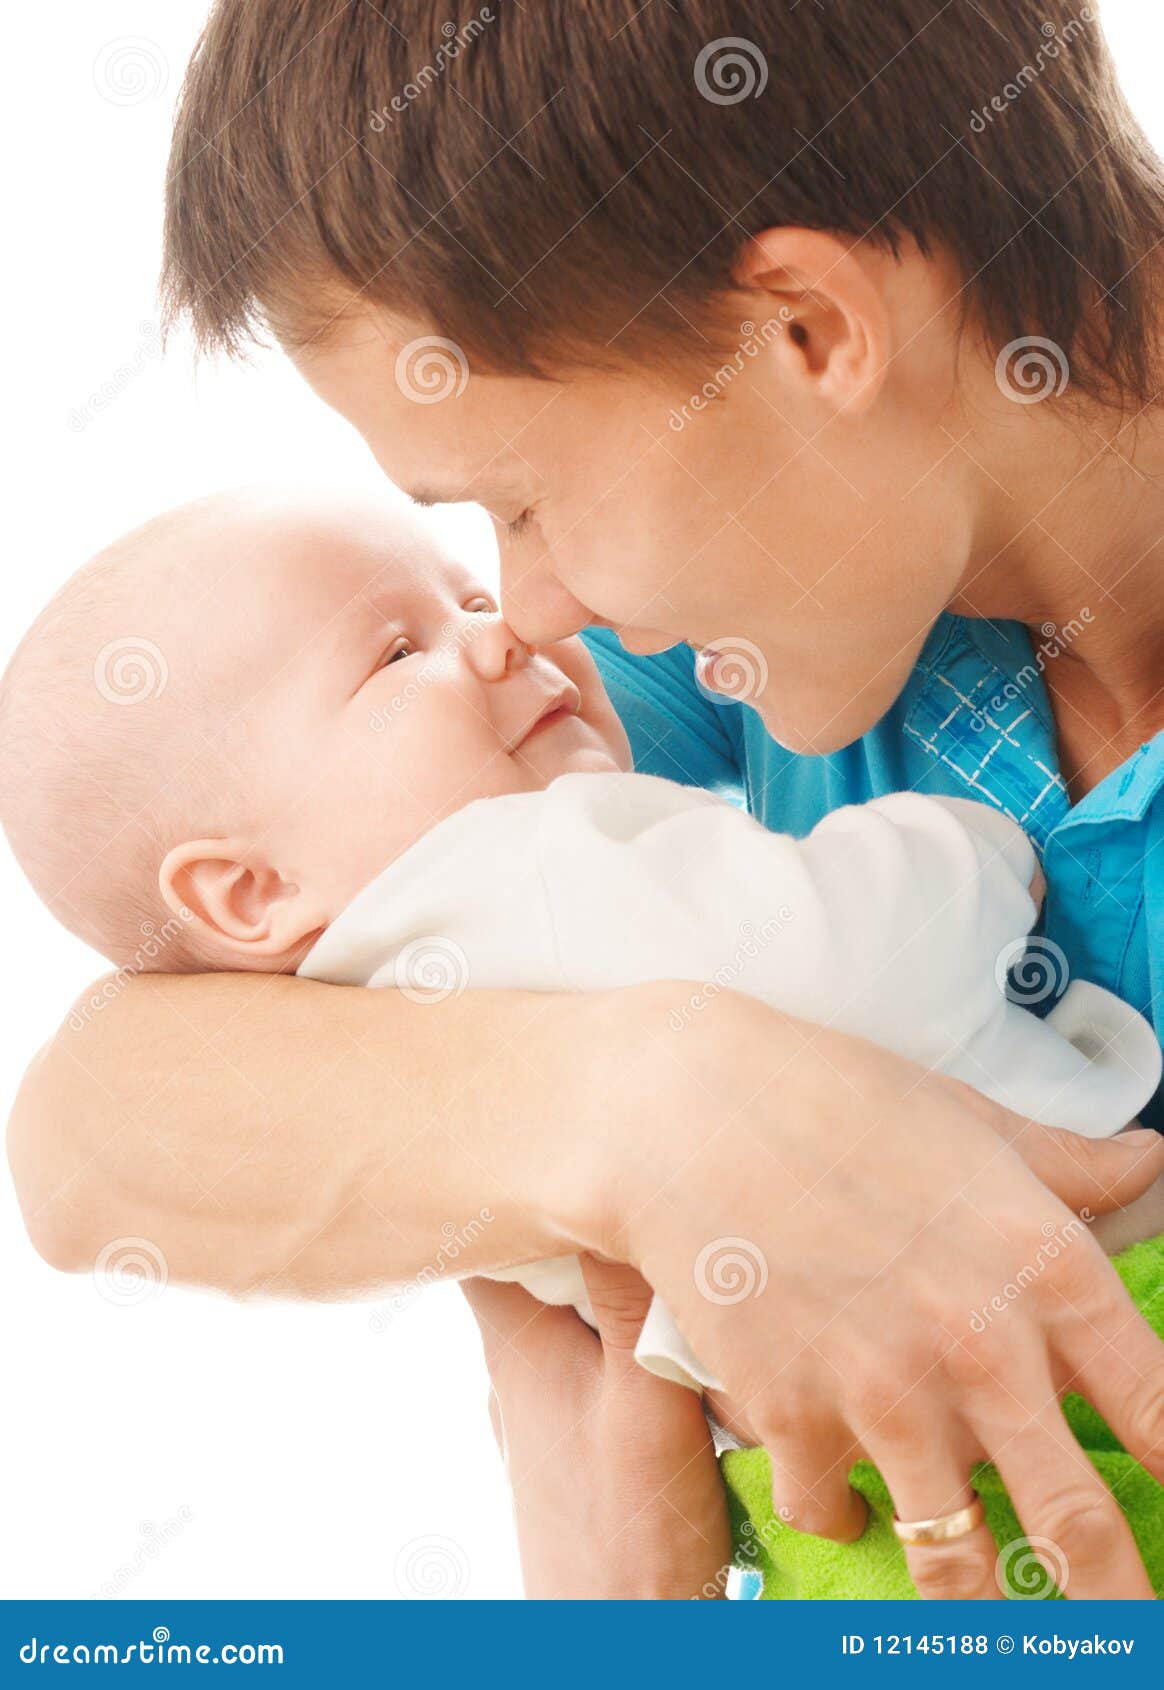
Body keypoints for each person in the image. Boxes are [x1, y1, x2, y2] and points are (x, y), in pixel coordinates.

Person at [11, 0, 1164, 1599]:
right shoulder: (770, 628)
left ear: (807, 332)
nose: (533, 611)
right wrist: (661, 1103)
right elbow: (91, 1127)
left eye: (525, 500)